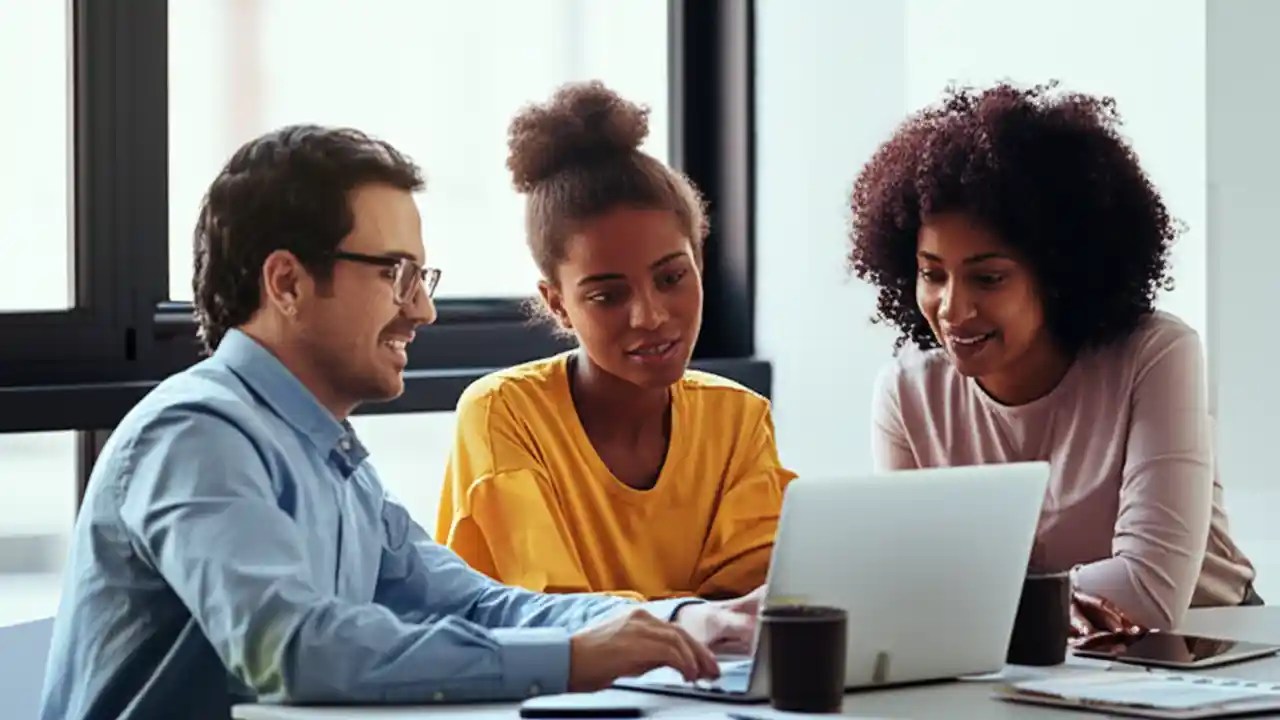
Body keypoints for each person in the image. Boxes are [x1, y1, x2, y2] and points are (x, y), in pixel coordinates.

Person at [39, 125, 758, 720]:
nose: (423, 310)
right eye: (396, 274)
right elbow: (294, 648)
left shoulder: (331, 458)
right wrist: (572, 658)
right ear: (287, 283)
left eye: (422, 278)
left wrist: (676, 622)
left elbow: (476, 603)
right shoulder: (195, 435)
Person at [846, 81, 1259, 640]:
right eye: (932, 274)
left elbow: (1150, 592)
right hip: (1032, 651)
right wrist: (1029, 606)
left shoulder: (1155, 355)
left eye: (988, 278)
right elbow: (914, 585)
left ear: (1059, 274)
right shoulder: (907, 392)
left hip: (1209, 645)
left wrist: (980, 601)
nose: (952, 308)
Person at [434, 81, 796, 601]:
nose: (651, 316)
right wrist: (698, 619)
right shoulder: (502, 415)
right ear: (558, 303)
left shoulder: (738, 418)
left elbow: (755, 598)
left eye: (671, 278)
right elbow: (551, 612)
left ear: (698, 261)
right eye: (607, 296)